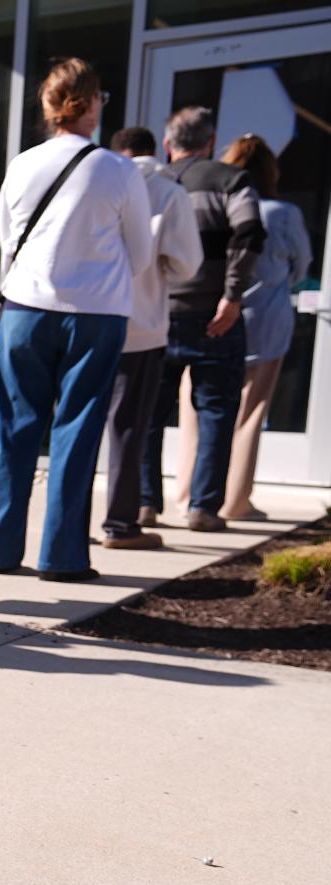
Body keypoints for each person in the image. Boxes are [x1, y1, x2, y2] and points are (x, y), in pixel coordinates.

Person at [0, 59, 152, 582]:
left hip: (25, 309)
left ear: (49, 105)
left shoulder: (22, 164)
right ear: (93, 103)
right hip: (95, 314)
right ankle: (62, 557)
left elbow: (7, 241)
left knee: (13, 429)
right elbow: (142, 253)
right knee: (77, 431)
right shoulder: (120, 170)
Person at [142, 106, 265, 533]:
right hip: (216, 316)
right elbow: (249, 233)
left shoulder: (152, 185)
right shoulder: (232, 180)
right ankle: (203, 508)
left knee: (148, 413)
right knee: (216, 412)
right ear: (211, 141)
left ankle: (143, 503)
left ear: (167, 144)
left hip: (156, 314)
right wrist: (232, 295)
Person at [95, 127, 200, 551]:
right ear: (158, 150)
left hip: (86, 318)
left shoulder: (96, 181)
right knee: (127, 427)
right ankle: (120, 524)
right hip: (140, 325)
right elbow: (187, 263)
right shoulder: (168, 191)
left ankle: (68, 527)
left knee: (79, 426)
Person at [216, 133, 311, 521]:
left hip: (214, 317)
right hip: (267, 320)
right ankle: (236, 501)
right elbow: (301, 266)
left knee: (201, 408)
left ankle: (192, 493)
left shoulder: (220, 206)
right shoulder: (282, 214)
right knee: (250, 412)